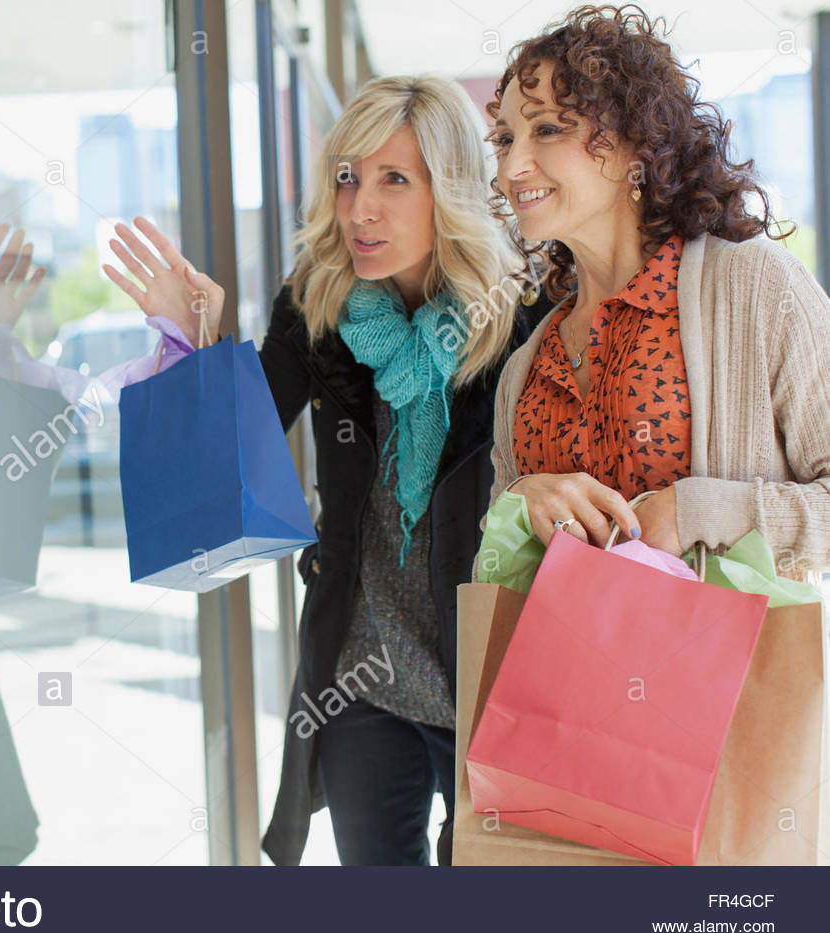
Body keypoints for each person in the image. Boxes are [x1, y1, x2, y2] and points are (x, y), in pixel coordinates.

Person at [105, 75, 548, 865]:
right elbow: (231, 464)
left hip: (493, 681)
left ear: (447, 190)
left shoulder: (521, 318)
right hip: (360, 683)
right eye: (347, 177)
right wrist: (195, 347)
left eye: (393, 180)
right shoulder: (317, 302)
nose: (360, 209)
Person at [484, 4, 830, 581]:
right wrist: (520, 505)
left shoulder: (757, 290)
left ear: (635, 146)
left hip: (730, 673)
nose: (513, 165)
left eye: (547, 129)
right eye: (503, 138)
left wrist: (700, 513)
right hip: (565, 674)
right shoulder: (527, 363)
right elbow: (503, 564)